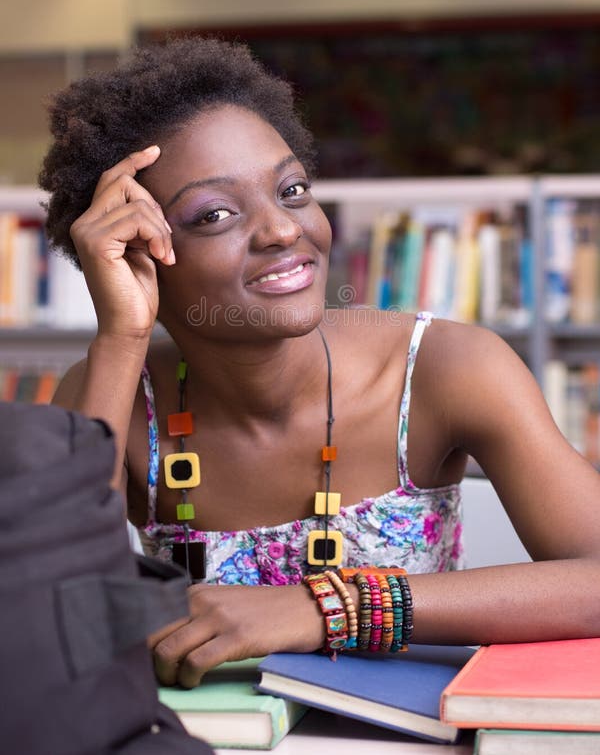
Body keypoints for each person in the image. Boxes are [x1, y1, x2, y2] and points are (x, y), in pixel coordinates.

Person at [39, 37, 600, 689]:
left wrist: (324, 607)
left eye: (293, 189)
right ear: (136, 251)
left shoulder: (447, 366)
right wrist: (122, 334)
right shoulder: (117, 392)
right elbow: (56, 613)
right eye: (215, 214)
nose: (281, 230)